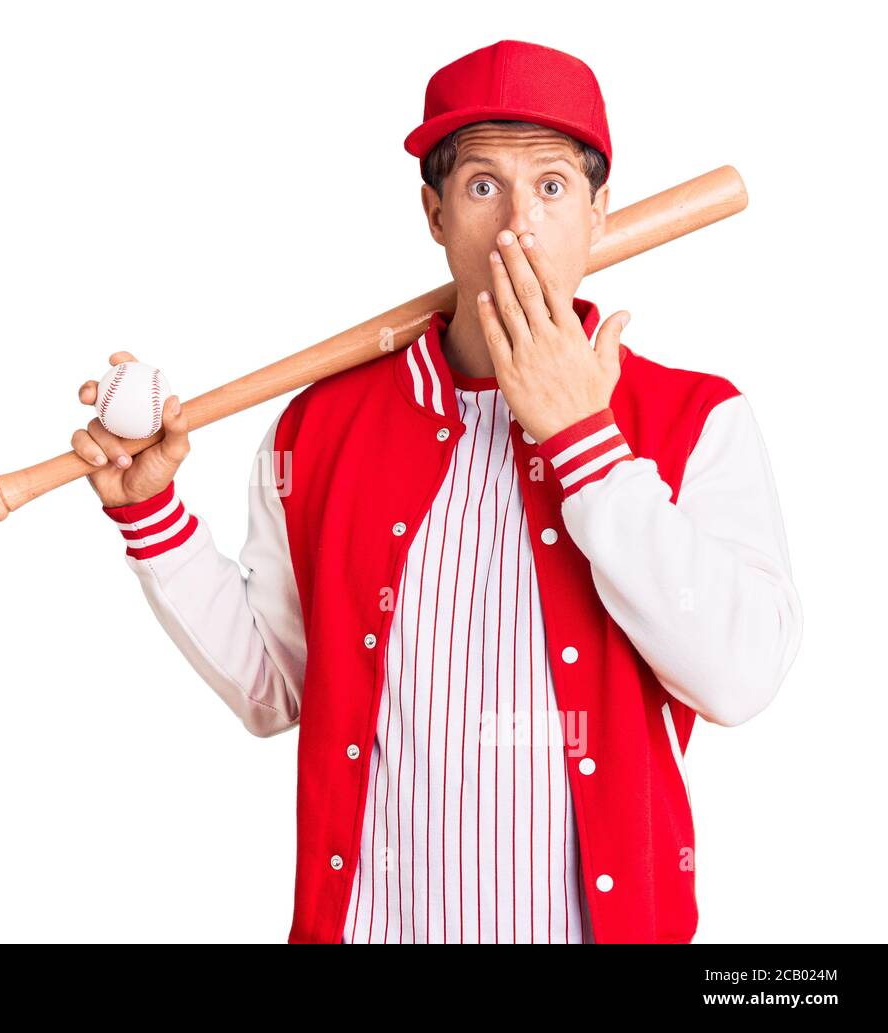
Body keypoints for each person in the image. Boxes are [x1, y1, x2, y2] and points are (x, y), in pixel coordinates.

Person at [70, 39, 803, 944]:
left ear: (601, 212)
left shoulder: (695, 418)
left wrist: (586, 443)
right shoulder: (319, 431)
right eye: (483, 186)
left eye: (552, 187)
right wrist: (149, 512)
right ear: (434, 212)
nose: (517, 229)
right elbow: (275, 686)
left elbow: (742, 675)